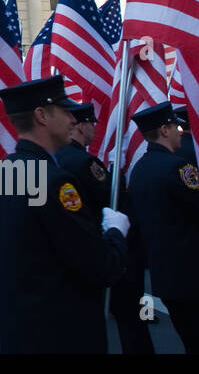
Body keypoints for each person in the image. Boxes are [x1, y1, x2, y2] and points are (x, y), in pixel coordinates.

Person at [0, 74, 129, 353]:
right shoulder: (54, 181)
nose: (73, 120)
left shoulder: (1, 172)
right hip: (64, 334)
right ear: (42, 115)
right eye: (65, 111)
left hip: (24, 330)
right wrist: (115, 232)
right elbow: (99, 265)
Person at [127, 102, 199, 353]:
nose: (180, 131)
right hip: (198, 278)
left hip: (167, 278)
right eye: (176, 126)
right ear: (164, 130)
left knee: (193, 342)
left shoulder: (140, 169)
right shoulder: (179, 169)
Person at [58, 102, 155, 355]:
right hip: (105, 243)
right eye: (91, 123)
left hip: (78, 248)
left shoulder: (58, 157)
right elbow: (114, 201)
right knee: (130, 318)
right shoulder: (83, 162)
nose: (94, 129)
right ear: (80, 126)